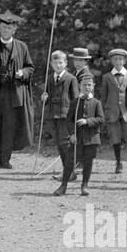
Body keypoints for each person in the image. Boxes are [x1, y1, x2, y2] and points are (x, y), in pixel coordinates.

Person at [0, 10, 34, 169]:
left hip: (12, 95)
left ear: (14, 30)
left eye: (9, 28)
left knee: (9, 128)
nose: (6, 30)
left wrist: (22, 73)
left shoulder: (21, 47)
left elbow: (30, 68)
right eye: (3, 28)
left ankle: (5, 160)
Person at [40, 50, 79, 196]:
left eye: (61, 62)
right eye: (55, 63)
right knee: (60, 146)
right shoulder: (50, 78)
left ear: (66, 63)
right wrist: (45, 98)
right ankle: (68, 172)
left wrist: (74, 118)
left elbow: (75, 99)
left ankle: (67, 178)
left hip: (66, 117)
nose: (58, 65)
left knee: (67, 146)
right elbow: (48, 95)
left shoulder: (71, 79)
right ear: (51, 64)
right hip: (53, 117)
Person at [73, 73, 104, 197]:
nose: (87, 87)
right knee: (73, 159)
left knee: (88, 162)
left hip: (92, 138)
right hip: (78, 137)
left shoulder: (96, 102)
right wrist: (72, 134)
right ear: (80, 86)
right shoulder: (75, 102)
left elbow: (101, 119)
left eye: (89, 85)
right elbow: (69, 120)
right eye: (84, 85)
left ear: (93, 86)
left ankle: (84, 185)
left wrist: (87, 121)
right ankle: (64, 184)